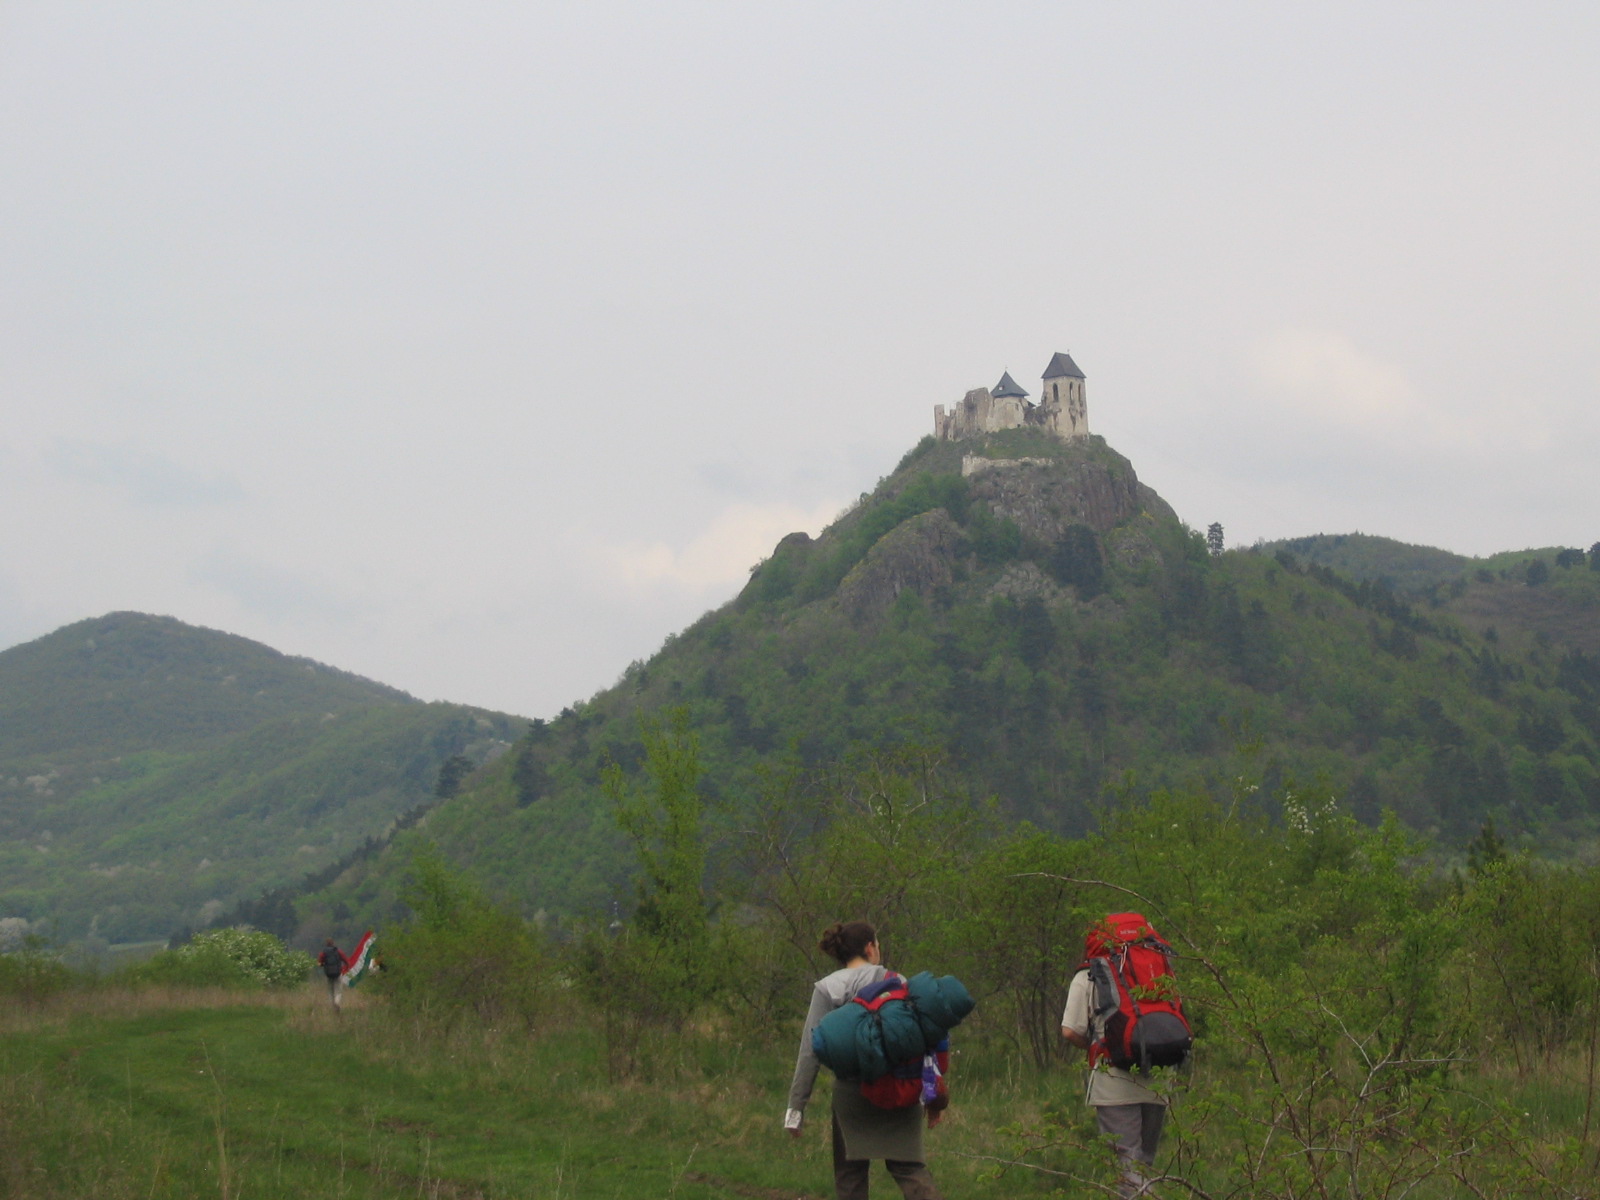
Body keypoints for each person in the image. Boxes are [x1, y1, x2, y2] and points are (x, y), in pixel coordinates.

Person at [785, 921, 945, 1200]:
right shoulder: (898, 982)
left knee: (850, 1177)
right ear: (870, 948)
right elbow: (924, 1043)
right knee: (910, 1170)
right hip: (899, 1090)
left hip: (852, 1094)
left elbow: (810, 1051)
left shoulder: (828, 988)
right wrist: (933, 1097)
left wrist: (795, 1108)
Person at [1061, 934, 1170, 1199]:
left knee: (1128, 1165)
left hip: (1113, 1082)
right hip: (1157, 1080)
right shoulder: (1156, 968)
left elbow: (1070, 1031)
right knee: (1144, 1163)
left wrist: (1094, 1046)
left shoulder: (1088, 974)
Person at [317, 938, 346, 1012]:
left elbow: (319, 964)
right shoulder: (338, 951)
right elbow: (345, 960)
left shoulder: (323, 953)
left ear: (326, 944)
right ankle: (337, 1003)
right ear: (333, 943)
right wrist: (345, 969)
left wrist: (324, 964)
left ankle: (333, 1007)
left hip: (328, 975)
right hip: (338, 974)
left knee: (330, 991)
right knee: (338, 991)